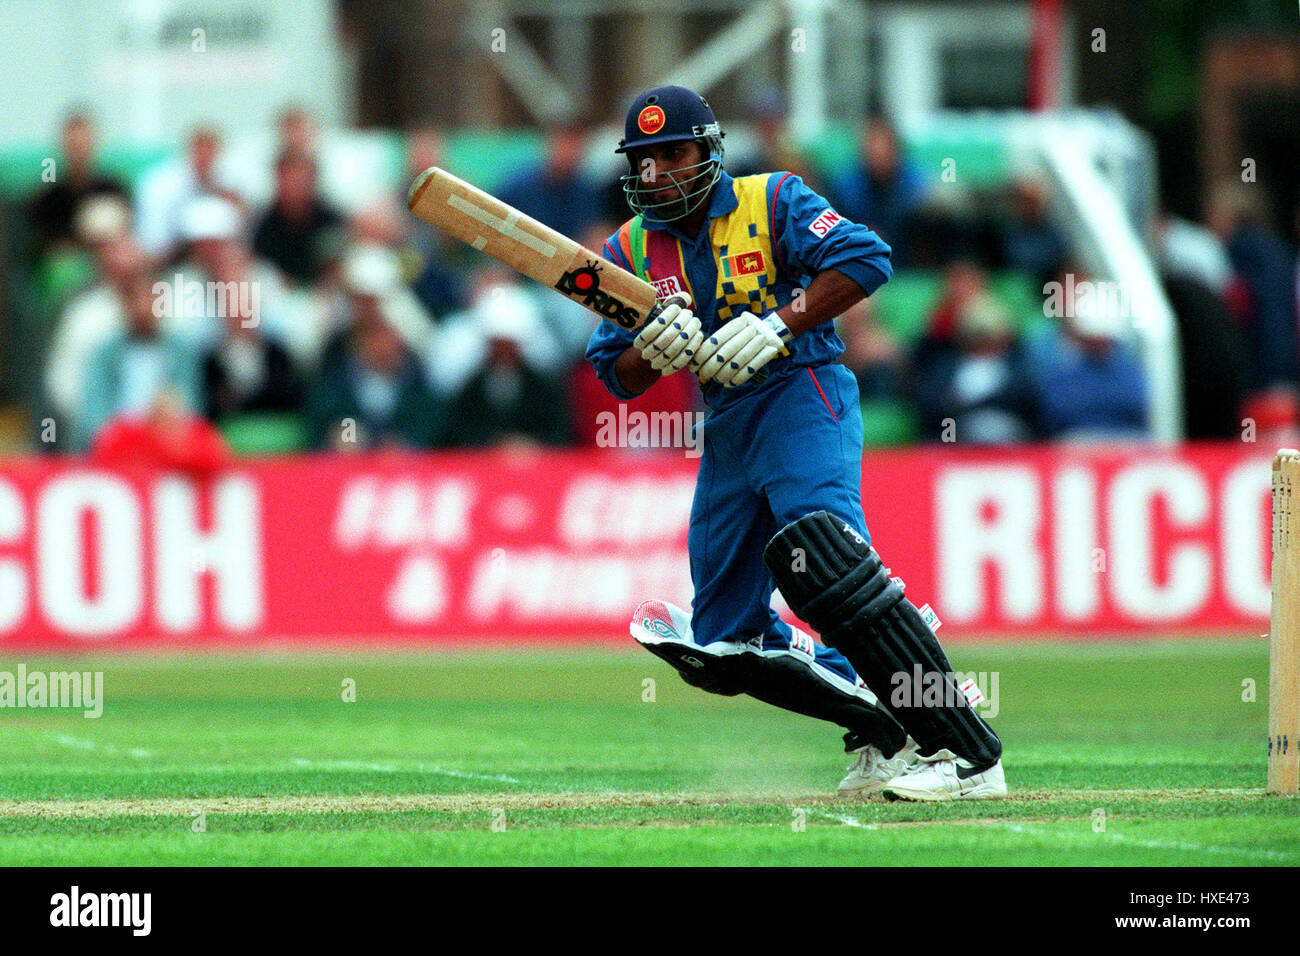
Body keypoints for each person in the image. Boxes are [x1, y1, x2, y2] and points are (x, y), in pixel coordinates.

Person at [585, 86, 1004, 800]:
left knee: (829, 564)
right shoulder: (628, 247)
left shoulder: (772, 199)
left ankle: (958, 747)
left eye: (673, 154)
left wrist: (782, 322)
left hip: (801, 393)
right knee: (721, 645)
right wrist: (650, 350)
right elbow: (612, 372)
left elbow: (868, 256)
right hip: (725, 425)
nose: (657, 173)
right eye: (644, 160)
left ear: (709, 153)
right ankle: (882, 717)